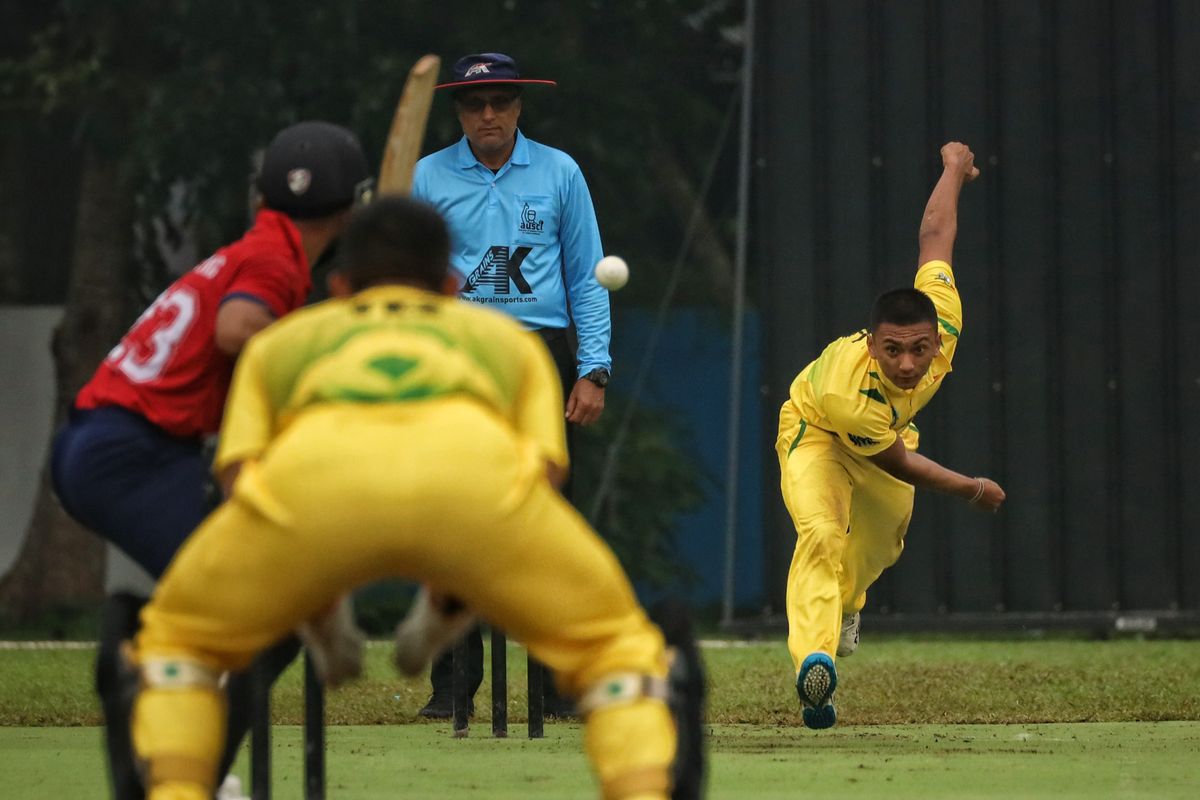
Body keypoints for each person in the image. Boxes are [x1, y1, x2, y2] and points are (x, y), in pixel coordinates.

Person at [126, 195, 703, 800]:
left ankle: (175, 787)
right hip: (476, 489)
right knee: (614, 649)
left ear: (342, 284)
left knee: (178, 643)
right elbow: (547, 476)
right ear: (452, 284)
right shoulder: (507, 341)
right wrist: (461, 577)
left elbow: (239, 475)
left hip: (311, 490)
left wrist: (307, 587)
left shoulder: (284, 341)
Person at [50, 120, 372, 798]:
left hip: (116, 446)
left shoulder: (256, 249)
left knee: (271, 608)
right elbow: (237, 330)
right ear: (350, 209)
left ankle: (172, 725)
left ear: (264, 198)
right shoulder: (274, 262)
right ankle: (174, 742)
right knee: (268, 609)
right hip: (127, 452)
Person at [775, 142, 1006, 730]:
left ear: (936, 337)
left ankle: (850, 605)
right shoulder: (847, 394)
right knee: (822, 534)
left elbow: (934, 235)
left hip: (888, 440)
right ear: (872, 342)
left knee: (882, 544)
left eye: (919, 349)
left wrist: (954, 167)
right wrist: (972, 488)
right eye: (893, 350)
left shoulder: (945, 319)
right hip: (818, 436)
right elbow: (903, 464)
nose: (908, 364)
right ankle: (816, 664)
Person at [411, 51, 612, 719]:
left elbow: (587, 274)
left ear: (520, 105)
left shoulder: (559, 171)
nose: (488, 114)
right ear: (459, 112)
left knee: (549, 519)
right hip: (459, 356)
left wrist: (593, 368)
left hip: (538, 355)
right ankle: (451, 690)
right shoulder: (429, 177)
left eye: (500, 101)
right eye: (475, 104)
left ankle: (553, 689)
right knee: (455, 519)